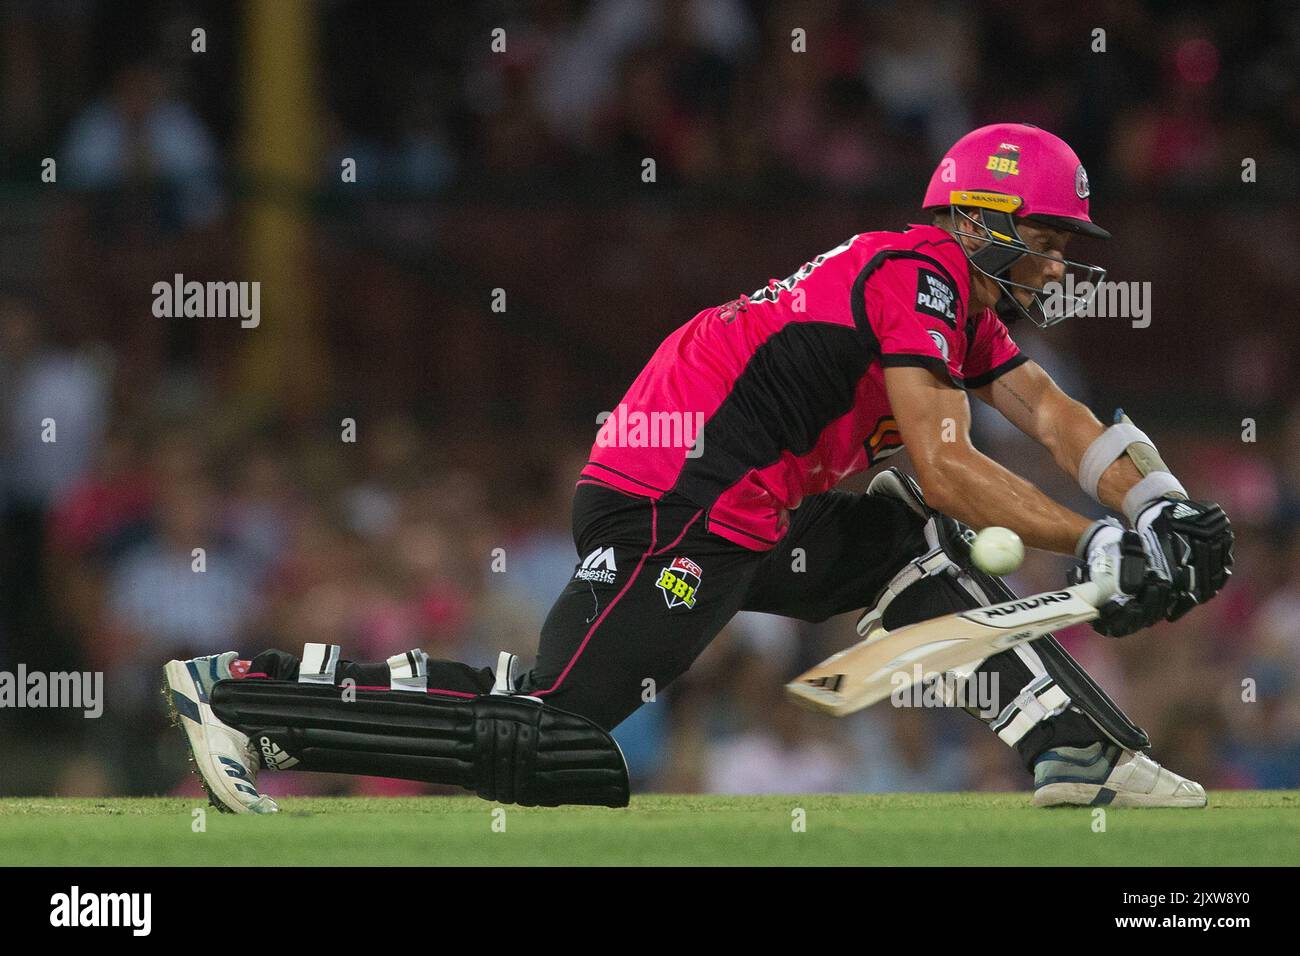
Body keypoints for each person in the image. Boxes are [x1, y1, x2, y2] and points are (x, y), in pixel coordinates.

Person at [165, 124, 1233, 813]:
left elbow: (1050, 413)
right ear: (979, 221)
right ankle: (255, 705)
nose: (1055, 264)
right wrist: (1100, 543)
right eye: (1044, 239)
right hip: (684, 495)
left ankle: (1072, 745)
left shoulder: (941, 289)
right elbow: (951, 466)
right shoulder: (920, 272)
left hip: (726, 498)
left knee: (897, 548)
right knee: (555, 732)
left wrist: (1159, 503)